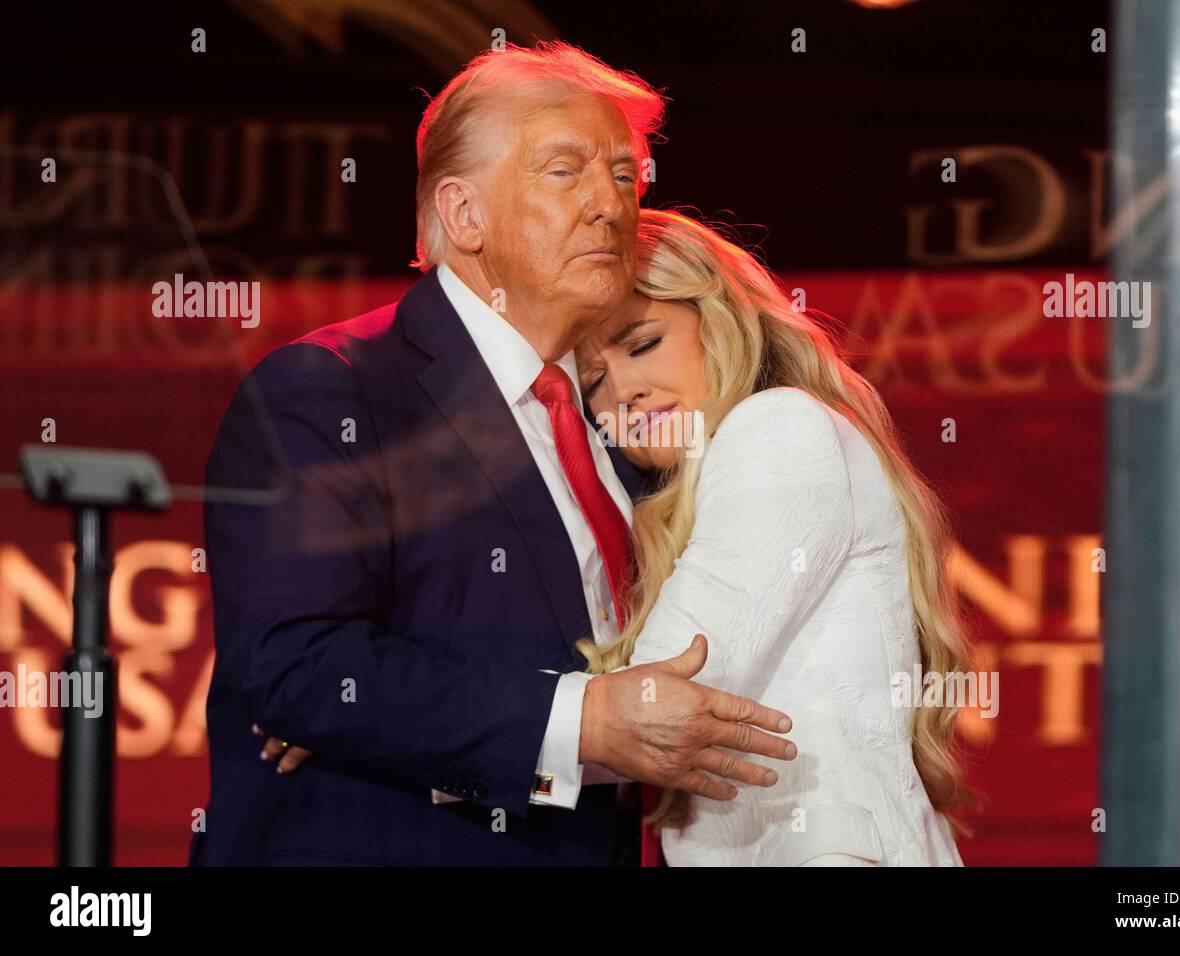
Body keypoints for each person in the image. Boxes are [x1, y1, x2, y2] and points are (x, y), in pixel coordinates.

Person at [190, 43, 797, 867]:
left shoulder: (620, 425)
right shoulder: (332, 390)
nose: (609, 205)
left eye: (626, 175)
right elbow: (296, 664)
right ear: (463, 214)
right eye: (564, 171)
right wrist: (578, 725)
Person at [572, 209, 975, 865]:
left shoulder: (777, 429)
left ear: (719, 319)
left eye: (642, 344)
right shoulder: (743, 459)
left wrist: (492, 728)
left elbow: (667, 685)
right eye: (592, 380)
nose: (625, 390)